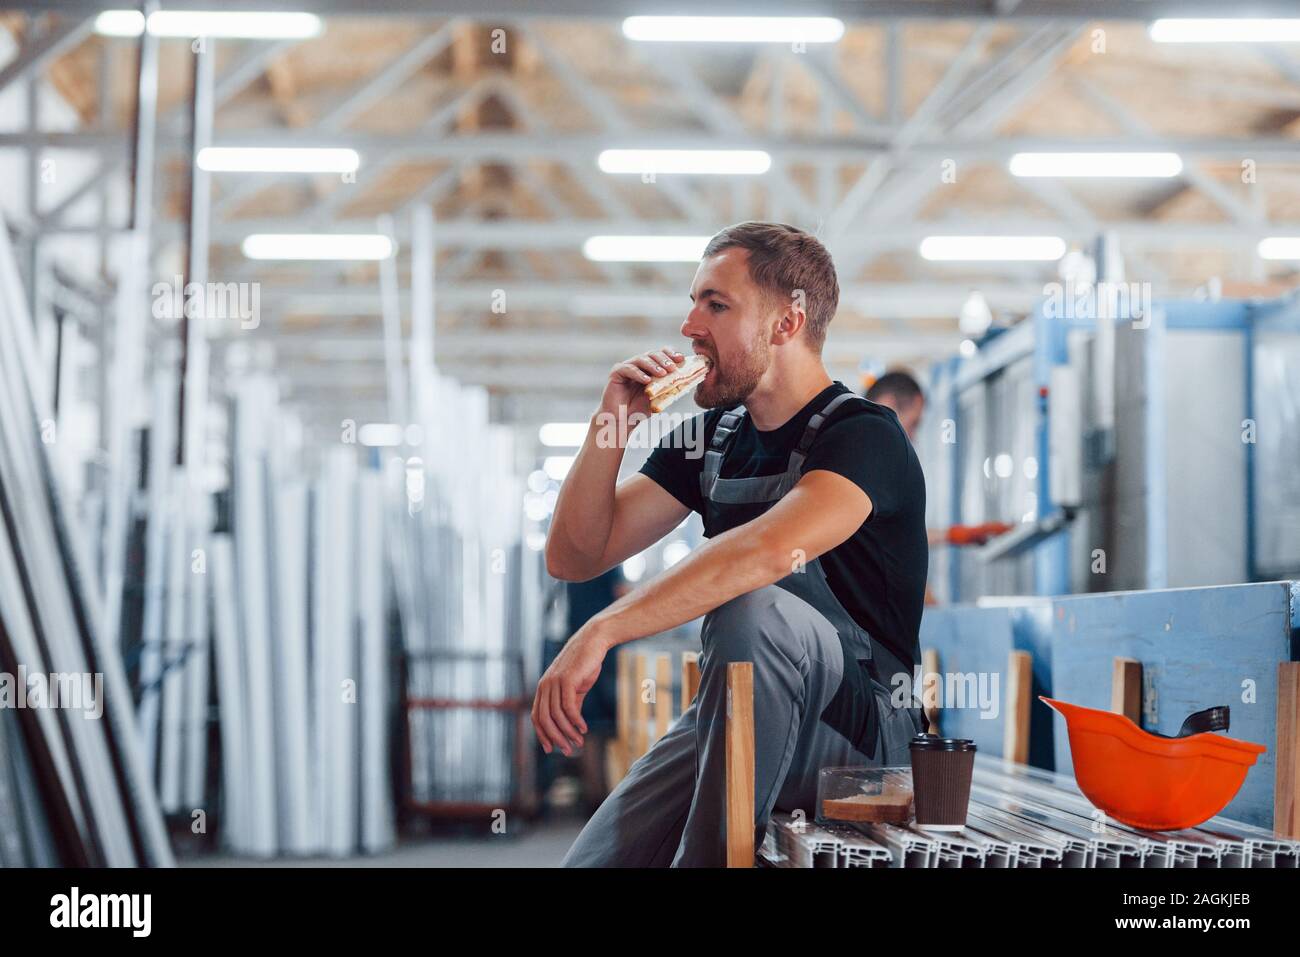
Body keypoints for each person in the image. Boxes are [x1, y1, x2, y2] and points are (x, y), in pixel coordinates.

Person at [535, 222, 928, 867]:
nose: (690, 326)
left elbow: (766, 553)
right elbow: (576, 555)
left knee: (755, 607)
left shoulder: (865, 438)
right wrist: (611, 424)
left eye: (715, 304)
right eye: (693, 302)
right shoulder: (711, 440)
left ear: (786, 322)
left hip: (859, 742)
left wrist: (601, 631)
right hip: (738, 711)